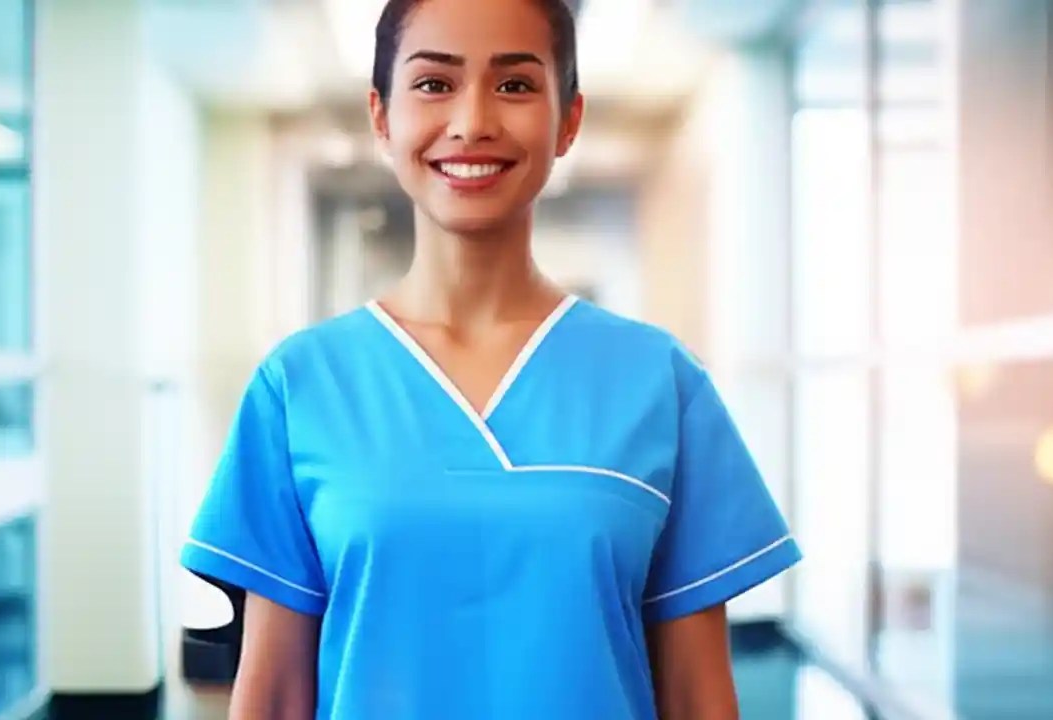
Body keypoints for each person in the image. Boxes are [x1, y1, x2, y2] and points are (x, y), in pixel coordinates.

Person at [180, 0, 802, 717]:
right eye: (434, 84)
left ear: (568, 119)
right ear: (382, 116)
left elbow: (696, 697)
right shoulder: (300, 386)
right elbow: (276, 695)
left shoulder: (659, 383)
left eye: (514, 85)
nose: (473, 120)